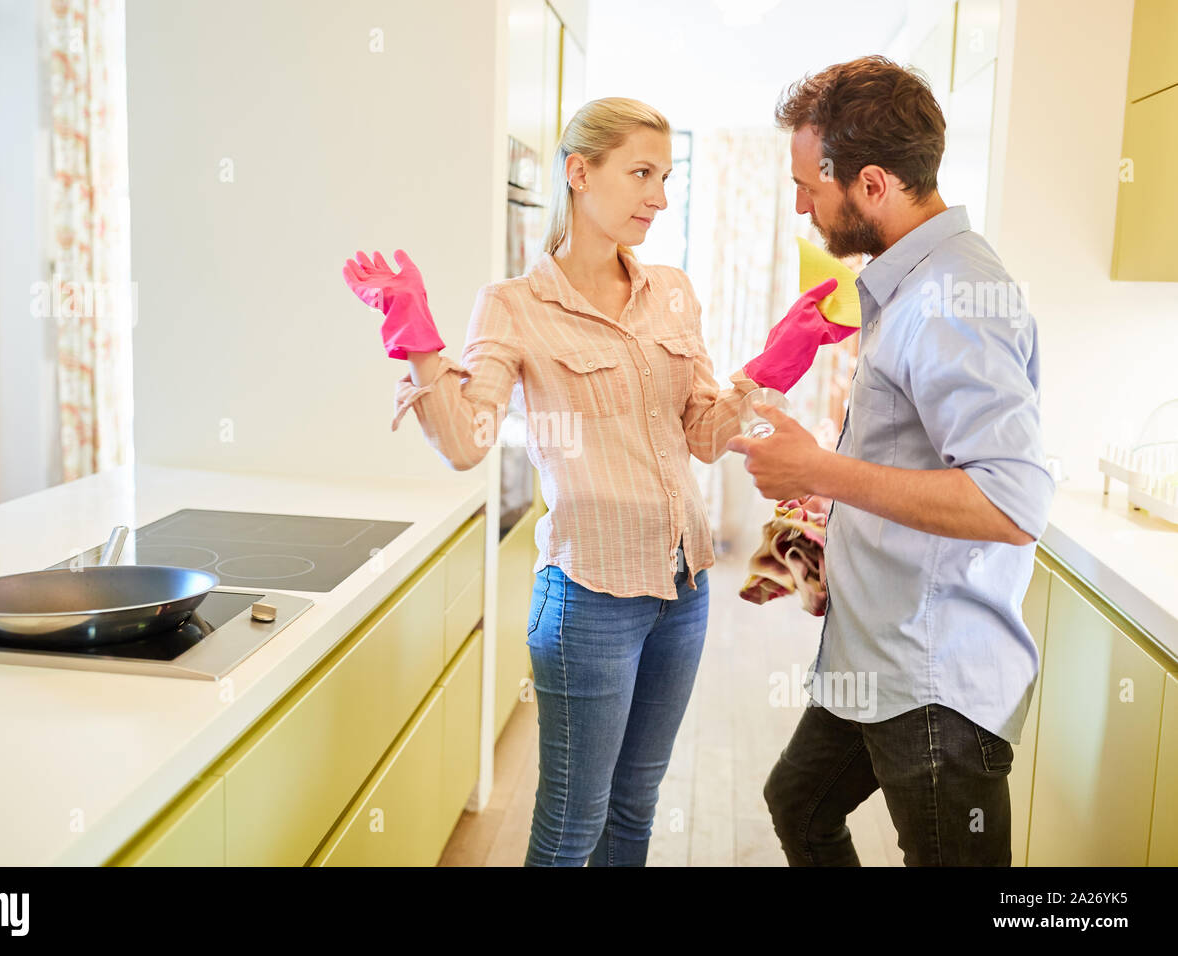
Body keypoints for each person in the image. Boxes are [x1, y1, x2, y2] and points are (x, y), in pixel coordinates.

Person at [344, 97, 851, 866]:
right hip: (588, 600)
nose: (659, 195)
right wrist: (418, 340)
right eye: (641, 173)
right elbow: (467, 443)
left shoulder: (673, 291)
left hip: (683, 590)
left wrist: (768, 367)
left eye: (666, 176)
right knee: (571, 822)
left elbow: (705, 439)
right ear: (579, 174)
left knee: (636, 803)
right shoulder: (514, 307)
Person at [729, 56, 1055, 866]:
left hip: (932, 683)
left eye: (811, 186)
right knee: (799, 805)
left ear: (872, 183)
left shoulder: (951, 300)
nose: (801, 204)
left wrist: (819, 473)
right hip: (876, 655)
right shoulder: (912, 288)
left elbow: (1010, 505)